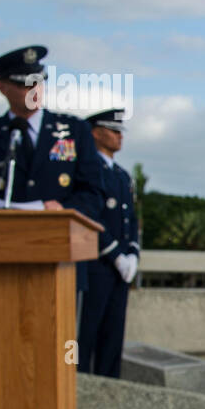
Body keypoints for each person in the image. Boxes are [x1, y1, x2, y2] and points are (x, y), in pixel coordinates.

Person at [0, 45, 104, 294]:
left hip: (61, 265)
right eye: (24, 84)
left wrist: (65, 210)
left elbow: (94, 195)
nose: (33, 90)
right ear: (3, 88)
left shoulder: (75, 131)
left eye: (38, 82)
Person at [77, 109, 139, 378]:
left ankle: (110, 386)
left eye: (120, 132)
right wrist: (113, 252)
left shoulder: (123, 176)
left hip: (120, 267)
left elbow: (131, 220)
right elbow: (89, 215)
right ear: (95, 132)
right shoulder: (88, 168)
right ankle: (79, 385)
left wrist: (133, 253)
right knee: (86, 331)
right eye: (113, 131)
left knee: (114, 333)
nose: (118, 137)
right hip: (96, 263)